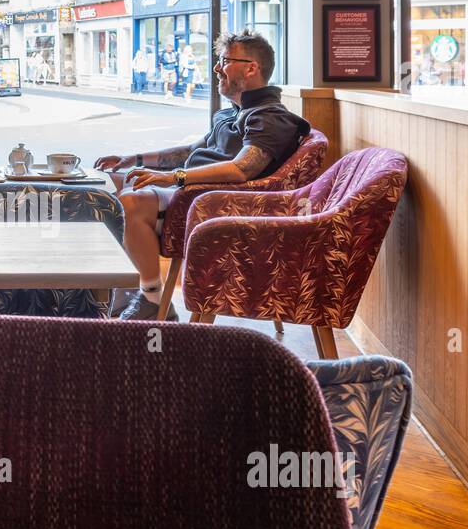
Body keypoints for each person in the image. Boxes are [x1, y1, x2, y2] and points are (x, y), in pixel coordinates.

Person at [95, 30, 310, 321]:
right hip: (194, 190)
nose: (217, 68)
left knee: (130, 203)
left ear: (251, 67)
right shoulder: (232, 113)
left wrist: (173, 178)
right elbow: (191, 150)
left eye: (224, 60)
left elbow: (242, 168)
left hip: (213, 202)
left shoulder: (269, 117)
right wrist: (133, 160)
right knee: (109, 185)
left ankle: (152, 298)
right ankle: (127, 286)